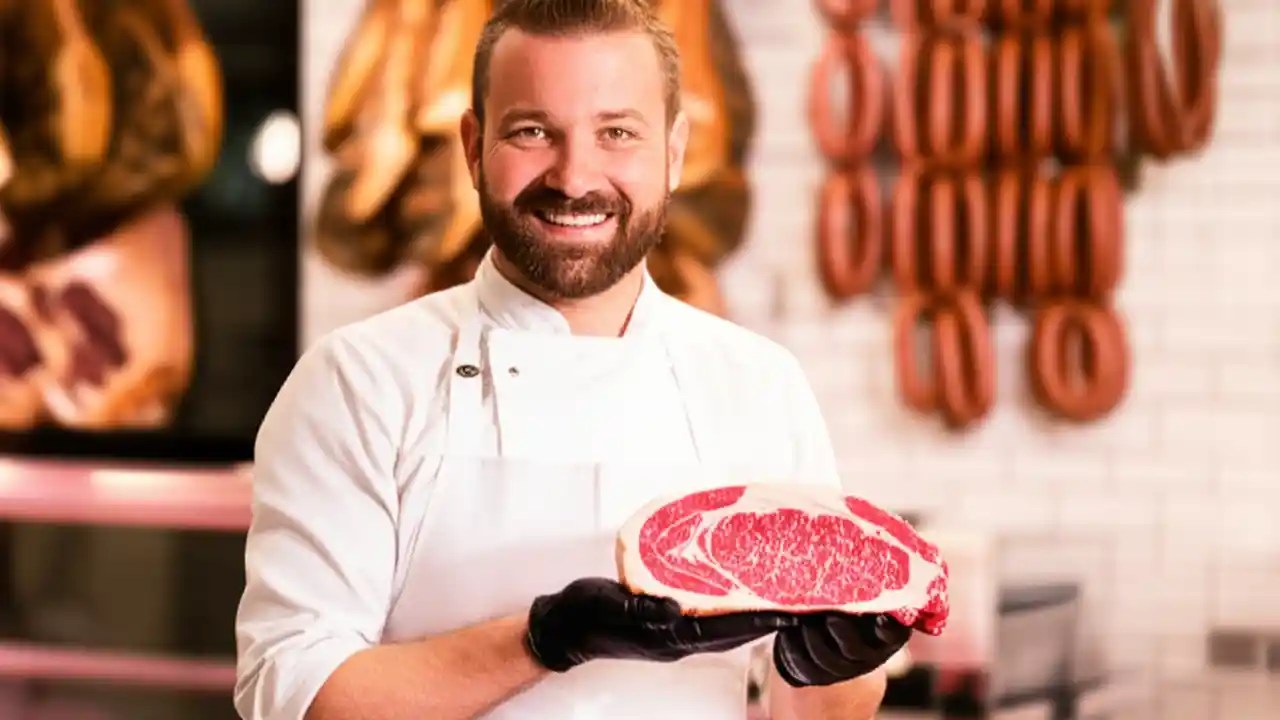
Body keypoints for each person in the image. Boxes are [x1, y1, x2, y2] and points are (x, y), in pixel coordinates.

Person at [233, 1, 910, 718]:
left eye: (617, 132)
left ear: (674, 152)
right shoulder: (357, 382)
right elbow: (292, 695)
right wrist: (540, 642)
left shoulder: (759, 385)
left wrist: (841, 668)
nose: (574, 176)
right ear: (473, 147)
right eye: (533, 131)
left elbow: (805, 712)